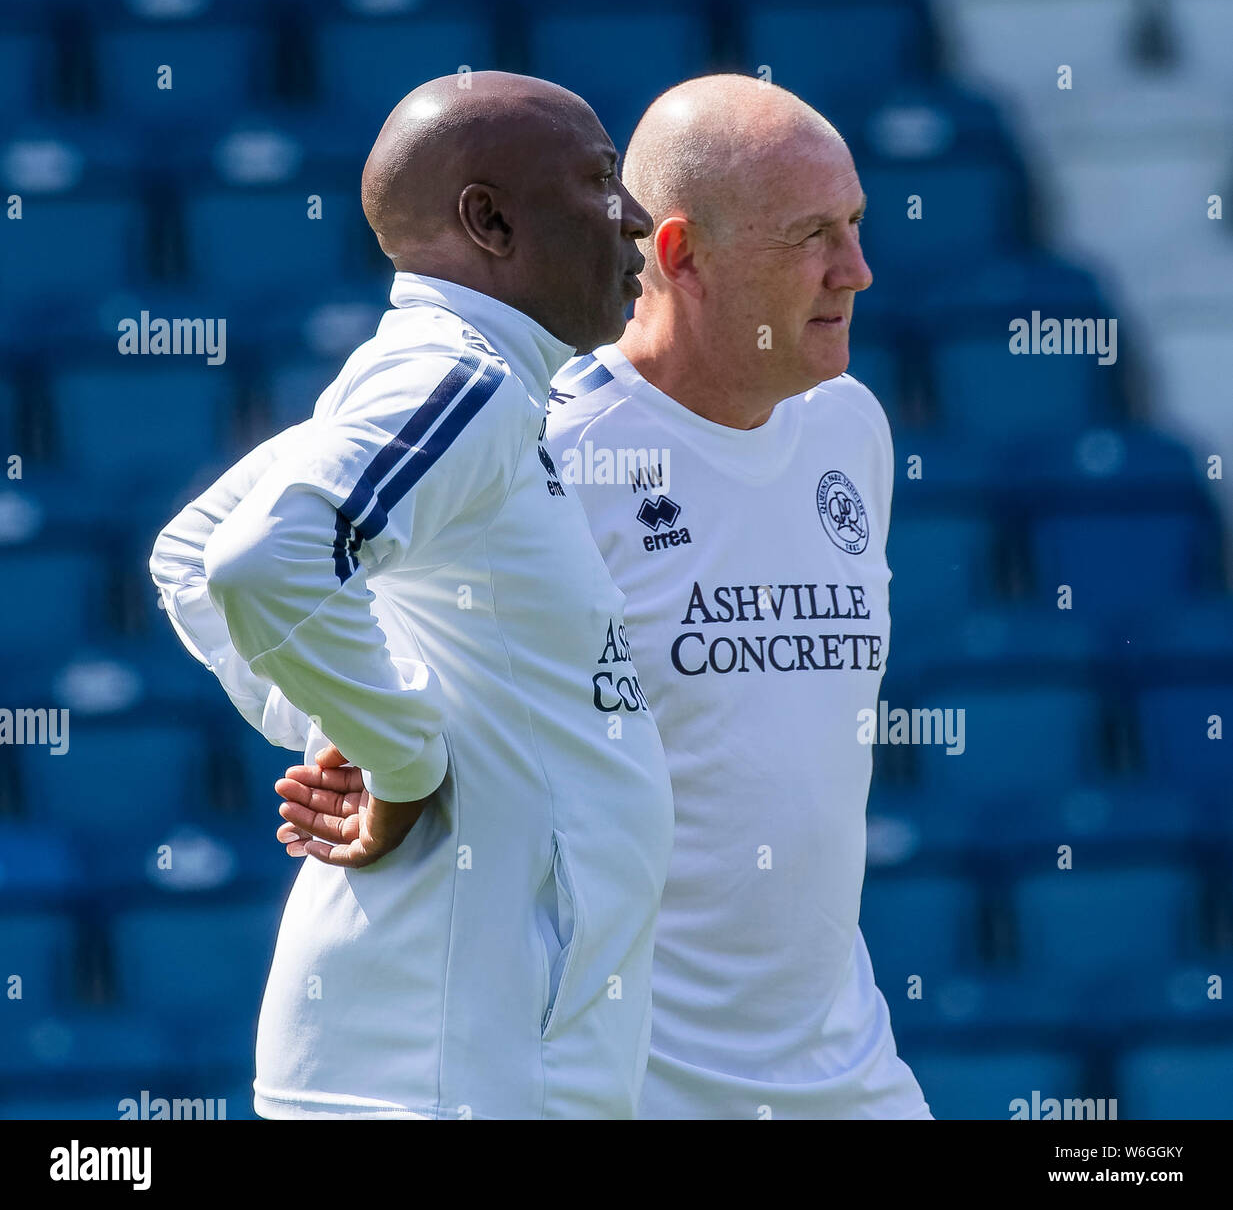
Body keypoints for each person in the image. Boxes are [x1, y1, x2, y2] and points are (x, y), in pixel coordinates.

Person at [277, 73, 931, 1120]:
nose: (855, 270)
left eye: (853, 225)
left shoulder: (850, 427)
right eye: (810, 236)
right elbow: (310, 610)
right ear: (678, 256)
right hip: (618, 1079)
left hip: (843, 1073)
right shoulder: (542, 443)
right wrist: (360, 746)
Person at [149, 71, 675, 1120]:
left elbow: (193, 546)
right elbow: (255, 560)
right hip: (456, 1070)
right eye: (600, 181)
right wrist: (398, 757)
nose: (634, 218)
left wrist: (339, 729)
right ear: (488, 220)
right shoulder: (464, 383)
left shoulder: (460, 377)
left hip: (443, 1055)